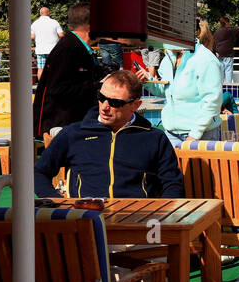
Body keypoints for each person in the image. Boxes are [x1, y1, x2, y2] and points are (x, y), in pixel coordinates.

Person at [34, 70, 184, 199]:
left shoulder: (154, 138)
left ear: (135, 105)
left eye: (115, 103)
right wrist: (57, 204)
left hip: (138, 221)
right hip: (85, 220)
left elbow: (172, 184)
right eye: (101, 98)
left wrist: (161, 216)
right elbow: (37, 172)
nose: (105, 107)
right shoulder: (74, 133)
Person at [141, 20, 223, 147]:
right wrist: (148, 81)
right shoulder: (169, 57)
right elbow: (165, 90)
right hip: (171, 133)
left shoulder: (206, 60)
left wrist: (194, 135)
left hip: (200, 134)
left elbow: (212, 102)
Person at [33, 3, 102, 137]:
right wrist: (98, 86)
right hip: (56, 126)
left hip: (71, 122)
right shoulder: (68, 49)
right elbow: (58, 89)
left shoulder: (77, 47)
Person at [213, 14, 239, 82]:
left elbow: (213, 43)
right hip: (228, 55)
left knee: (220, 74)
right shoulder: (229, 31)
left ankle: (220, 89)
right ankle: (228, 90)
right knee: (228, 72)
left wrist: (215, 52)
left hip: (219, 55)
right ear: (226, 23)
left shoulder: (216, 32)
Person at [30, 6, 63, 72]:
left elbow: (32, 37)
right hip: (53, 50)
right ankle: (53, 82)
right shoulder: (54, 22)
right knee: (55, 69)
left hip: (41, 50)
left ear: (40, 13)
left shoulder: (35, 23)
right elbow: (61, 35)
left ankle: (42, 82)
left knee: (41, 70)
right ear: (48, 13)